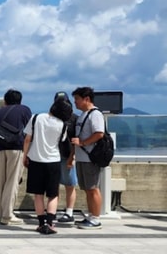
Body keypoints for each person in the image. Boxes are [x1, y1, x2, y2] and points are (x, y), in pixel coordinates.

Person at [22, 95, 75, 234]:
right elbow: (62, 142)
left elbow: (27, 139)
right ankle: (50, 224)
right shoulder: (62, 125)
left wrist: (24, 156)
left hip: (35, 160)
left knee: (38, 194)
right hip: (53, 161)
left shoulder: (36, 118)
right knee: (53, 194)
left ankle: (41, 223)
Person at [0, 89, 32, 226]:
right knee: (12, 181)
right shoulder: (25, 110)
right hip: (16, 147)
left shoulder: (0, 111)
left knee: (0, 181)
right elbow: (28, 129)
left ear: (6, 100)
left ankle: (1, 212)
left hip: (0, 148)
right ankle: (8, 214)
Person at [69, 87, 106, 228]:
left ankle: (96, 218)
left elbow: (99, 133)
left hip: (90, 157)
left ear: (86, 99)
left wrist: (83, 143)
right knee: (87, 188)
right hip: (82, 157)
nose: (75, 102)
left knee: (93, 188)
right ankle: (91, 215)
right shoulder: (83, 115)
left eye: (77, 99)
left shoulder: (95, 114)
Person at [53, 91, 79, 224]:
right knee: (53, 185)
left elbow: (76, 139)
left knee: (70, 184)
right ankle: (53, 210)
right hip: (52, 155)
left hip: (66, 154)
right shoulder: (51, 118)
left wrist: (72, 156)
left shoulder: (74, 118)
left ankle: (69, 212)